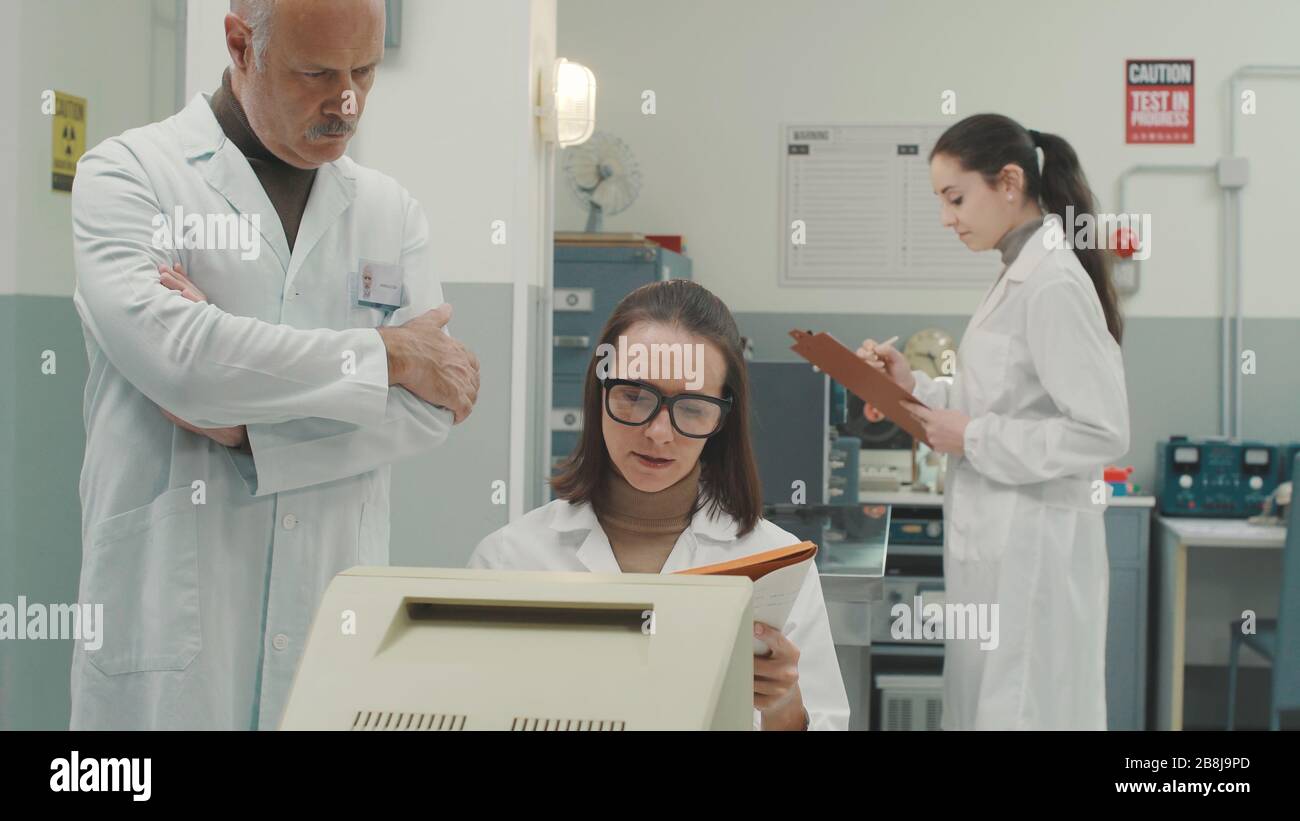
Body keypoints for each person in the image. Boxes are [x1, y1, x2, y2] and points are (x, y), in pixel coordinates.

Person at [69, 0, 480, 729]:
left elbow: (425, 412)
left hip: (335, 627)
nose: (347, 101)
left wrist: (251, 435)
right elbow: (185, 358)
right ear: (239, 43)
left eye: (365, 71)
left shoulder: (390, 211)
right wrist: (385, 355)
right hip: (172, 642)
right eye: (317, 72)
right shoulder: (129, 177)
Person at [469, 280, 850, 730]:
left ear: (722, 420)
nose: (659, 433)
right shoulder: (508, 560)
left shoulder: (776, 564)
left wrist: (783, 706)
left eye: (692, 407)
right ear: (600, 392)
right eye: (634, 396)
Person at [858, 114, 1130, 729]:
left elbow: (1102, 428)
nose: (946, 218)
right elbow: (1000, 396)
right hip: (1000, 546)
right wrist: (914, 387)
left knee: (1021, 710)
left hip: (1034, 555)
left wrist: (973, 438)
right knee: (988, 706)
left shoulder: (1053, 281)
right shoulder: (1017, 273)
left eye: (955, 198)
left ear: (1009, 182)